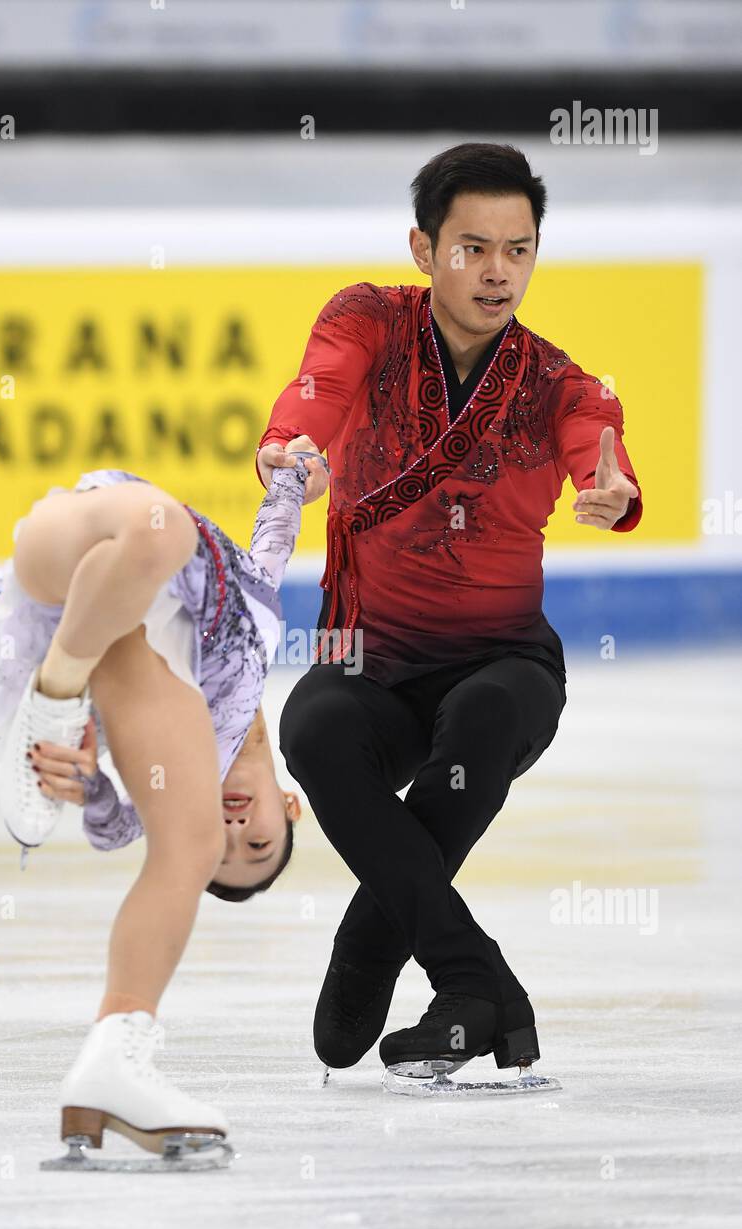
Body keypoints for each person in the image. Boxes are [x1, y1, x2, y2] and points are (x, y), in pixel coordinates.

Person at [254, 142, 643, 1085]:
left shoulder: (558, 382)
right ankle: (483, 991)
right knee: (313, 724)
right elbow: (318, 390)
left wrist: (616, 485)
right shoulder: (367, 322)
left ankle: (381, 948)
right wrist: (289, 449)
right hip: (373, 661)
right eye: (474, 246)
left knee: (479, 719)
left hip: (503, 665)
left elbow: (601, 442)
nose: (498, 270)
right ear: (425, 249)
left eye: (519, 248)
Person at [0, 449, 326, 1162]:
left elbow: (120, 826)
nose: (236, 829)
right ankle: (56, 692)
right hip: (106, 537)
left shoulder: (183, 756)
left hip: (103, 628)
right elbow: (272, 541)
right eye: (260, 843)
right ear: (290, 806)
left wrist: (88, 782)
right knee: (162, 531)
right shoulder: (256, 645)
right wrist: (294, 477)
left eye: (229, 848)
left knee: (186, 843)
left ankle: (114, 1059)